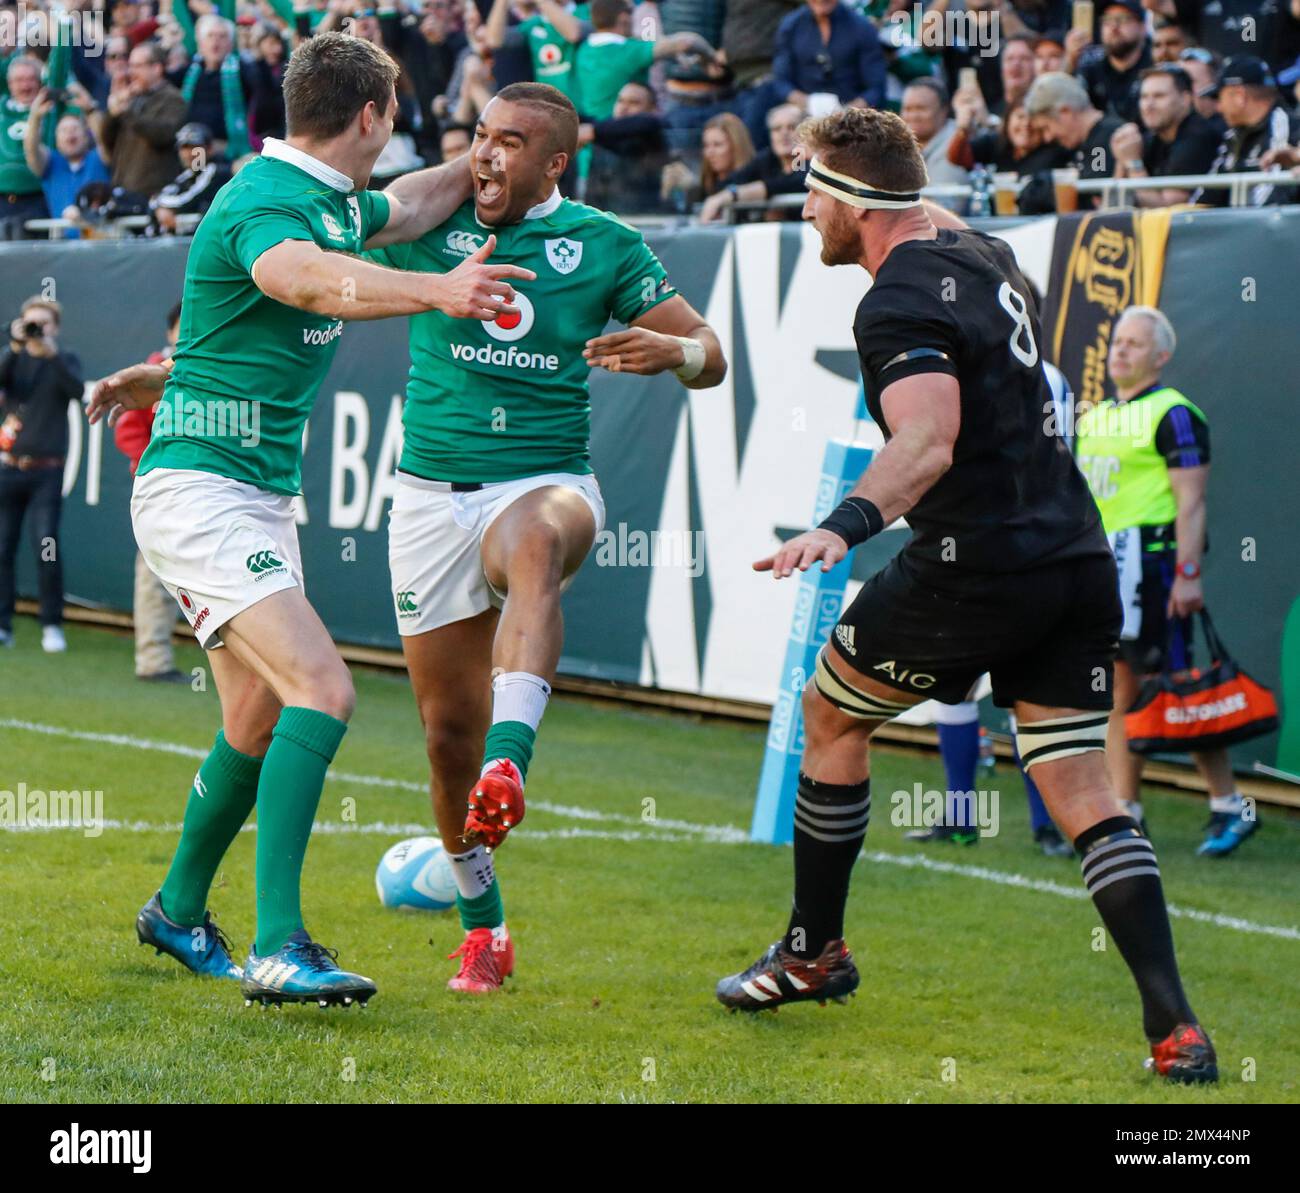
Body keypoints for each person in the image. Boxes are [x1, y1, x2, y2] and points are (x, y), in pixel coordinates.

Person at [715, 106, 1217, 1085]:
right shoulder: (976, 248)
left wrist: (843, 525)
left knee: (828, 713)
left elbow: (926, 441)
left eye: (814, 188)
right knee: (1080, 785)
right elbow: (935, 229)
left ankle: (814, 950)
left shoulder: (894, 300)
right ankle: (1175, 1026)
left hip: (974, 563)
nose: (803, 206)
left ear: (857, 202)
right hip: (1071, 555)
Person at [84, 32, 534, 1010]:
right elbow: (299, 278)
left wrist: (484, 153)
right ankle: (280, 941)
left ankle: (175, 908)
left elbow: (406, 205)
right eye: (396, 116)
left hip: (247, 489)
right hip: (200, 488)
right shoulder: (266, 199)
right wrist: (434, 289)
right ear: (371, 117)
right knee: (323, 690)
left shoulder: (330, 198)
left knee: (253, 715)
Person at [366, 81, 726, 994]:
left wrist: (675, 353)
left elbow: (711, 354)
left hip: (546, 481)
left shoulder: (607, 245)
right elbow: (338, 232)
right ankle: (484, 927)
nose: (488, 154)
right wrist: (468, 168)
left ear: (556, 162)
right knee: (447, 733)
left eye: (511, 142)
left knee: (534, 545)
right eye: (480, 136)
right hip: (427, 498)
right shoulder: (433, 216)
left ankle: (512, 762)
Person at [1074, 307, 1255, 858]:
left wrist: (1187, 574)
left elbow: (1191, 503)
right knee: (1121, 689)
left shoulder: (1175, 413)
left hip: (1152, 571)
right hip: (1105, 571)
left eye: (1135, 344)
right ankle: (1127, 812)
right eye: (1117, 342)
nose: (1120, 352)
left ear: (1161, 356)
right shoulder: (1093, 416)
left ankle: (1224, 804)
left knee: (1177, 688)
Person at [0, 298, 83, 653]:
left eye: (43, 324)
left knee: (45, 544)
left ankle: (51, 623)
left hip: (46, 473)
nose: (37, 330)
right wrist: (15, 345)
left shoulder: (65, 360)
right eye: (30, 323)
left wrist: (51, 354)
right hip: (9, 468)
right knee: (3, 547)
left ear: (55, 328)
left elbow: (79, 391)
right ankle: (3, 624)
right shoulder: (14, 359)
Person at [113, 301, 185, 683]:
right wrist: (154, 465)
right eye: (182, 323)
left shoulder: (215, 369)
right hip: (164, 490)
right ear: (171, 331)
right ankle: (153, 661)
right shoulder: (154, 370)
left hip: (211, 489)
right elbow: (127, 429)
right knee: (154, 574)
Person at [575, 0, 717, 120]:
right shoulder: (629, 51)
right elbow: (688, 42)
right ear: (623, 18)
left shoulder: (584, 50)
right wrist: (711, 57)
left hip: (596, 137)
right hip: (626, 130)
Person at [1190, 55, 1300, 206]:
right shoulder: (1233, 135)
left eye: (1219, 98)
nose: (1218, 108)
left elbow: (1272, 206)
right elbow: (1207, 195)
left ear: (1240, 96)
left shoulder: (1285, 125)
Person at [1110, 65, 1220, 206]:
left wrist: (1133, 163)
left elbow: (1166, 208)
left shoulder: (1199, 136)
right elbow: (1115, 203)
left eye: (1159, 96)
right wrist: (1122, 156)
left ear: (1185, 99)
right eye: (1144, 97)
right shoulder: (1153, 138)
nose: (1148, 105)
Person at [95, 41, 188, 199]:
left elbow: (163, 134)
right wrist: (113, 112)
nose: (131, 72)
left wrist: (127, 113)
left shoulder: (173, 99)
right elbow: (106, 140)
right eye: (130, 65)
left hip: (153, 192)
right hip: (123, 188)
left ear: (157, 68)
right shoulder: (133, 98)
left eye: (138, 66)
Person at [1025, 71, 1124, 206]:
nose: (1048, 137)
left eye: (1046, 127)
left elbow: (1093, 193)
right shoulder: (1080, 143)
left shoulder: (1104, 140)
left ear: (1065, 112)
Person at [698, 101, 805, 223]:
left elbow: (792, 183)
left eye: (791, 127)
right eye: (776, 129)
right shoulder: (767, 159)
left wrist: (732, 195)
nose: (783, 134)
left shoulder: (807, 159)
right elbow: (731, 181)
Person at [771, 0, 886, 113]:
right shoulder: (790, 26)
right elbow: (781, 81)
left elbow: (875, 88)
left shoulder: (862, 27)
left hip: (851, 118)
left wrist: (845, 112)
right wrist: (808, 103)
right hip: (803, 114)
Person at [23, 93, 110, 237]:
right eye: (64, 130)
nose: (70, 134)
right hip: (62, 246)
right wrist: (35, 117)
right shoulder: (51, 163)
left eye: (75, 129)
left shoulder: (99, 158)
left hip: (101, 243)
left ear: (86, 135)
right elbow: (31, 149)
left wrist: (90, 111)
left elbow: (105, 140)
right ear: (56, 138)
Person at [579, 81, 670, 212]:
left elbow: (647, 122)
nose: (624, 107)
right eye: (620, 101)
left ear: (652, 109)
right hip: (600, 221)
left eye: (634, 103)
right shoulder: (604, 130)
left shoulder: (652, 132)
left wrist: (592, 131)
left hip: (645, 221)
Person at [177, 15, 259, 161]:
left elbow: (263, 90)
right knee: (198, 181)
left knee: (222, 181)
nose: (216, 42)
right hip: (196, 148)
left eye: (222, 36)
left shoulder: (243, 70)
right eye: (210, 36)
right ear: (201, 43)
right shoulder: (190, 72)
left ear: (230, 43)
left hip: (228, 148)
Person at [1076, 0, 1153, 123]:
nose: (1114, 27)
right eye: (1107, 20)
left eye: (1122, 19)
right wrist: (1070, 60)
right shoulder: (1091, 66)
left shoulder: (1155, 66)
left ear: (1143, 27)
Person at [898, 78, 968, 210]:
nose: (913, 116)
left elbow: (949, 208)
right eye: (907, 109)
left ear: (943, 111)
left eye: (921, 108)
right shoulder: (900, 146)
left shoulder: (955, 144)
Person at [149, 121, 231, 234]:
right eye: (184, 147)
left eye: (194, 147)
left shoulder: (217, 171)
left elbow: (187, 200)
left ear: (209, 149)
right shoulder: (186, 174)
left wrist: (159, 205)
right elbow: (156, 198)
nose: (189, 153)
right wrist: (159, 207)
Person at [1, 56, 48, 238]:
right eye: (19, 80)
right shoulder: (2, 108)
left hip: (36, 200)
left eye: (30, 79)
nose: (25, 86)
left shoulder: (50, 111)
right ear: (9, 84)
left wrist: (64, 29)